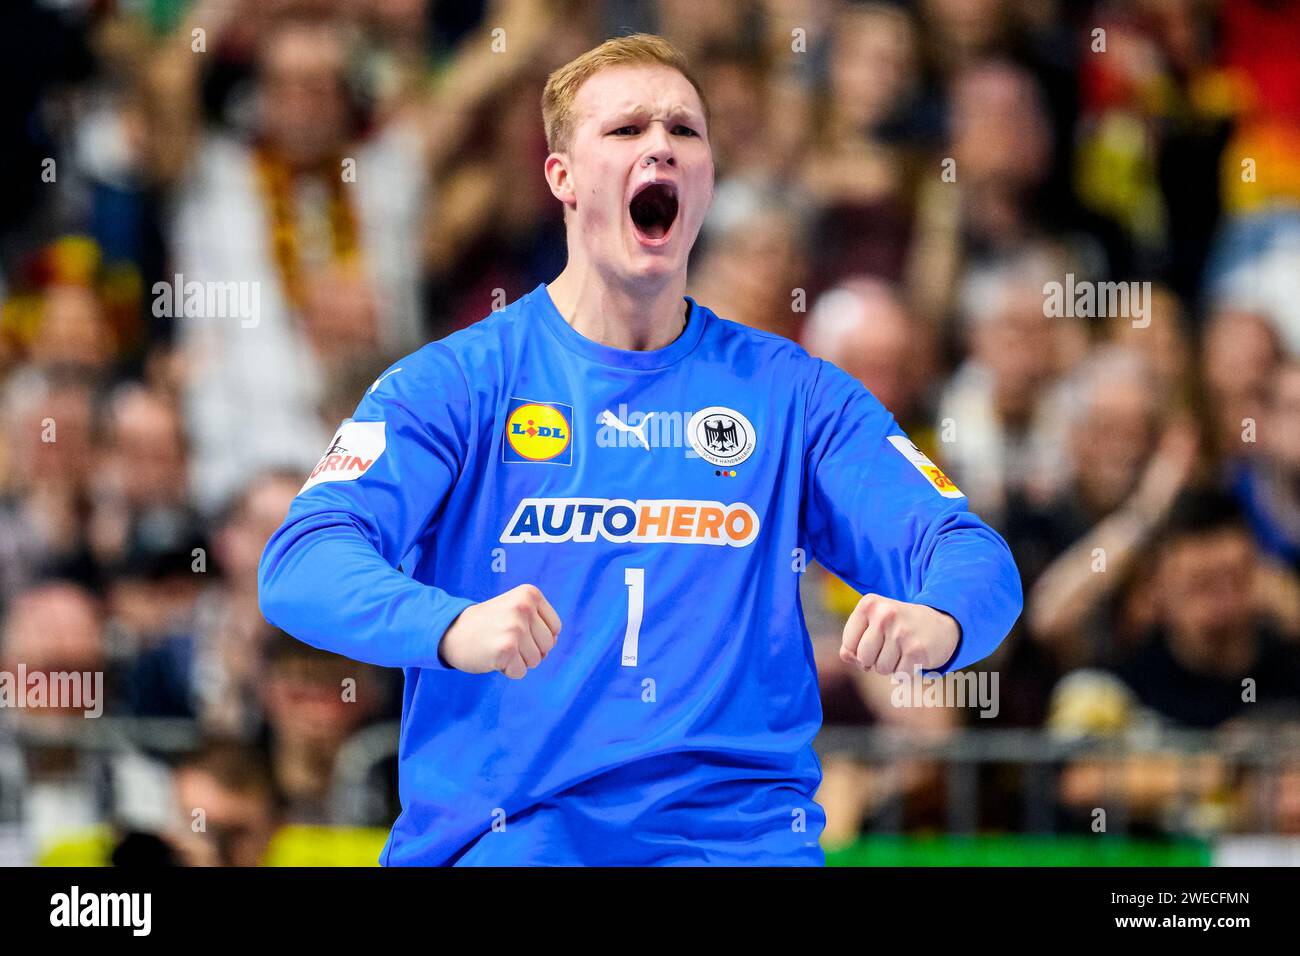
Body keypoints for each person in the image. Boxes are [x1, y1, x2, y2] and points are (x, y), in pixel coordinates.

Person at [258, 33, 1022, 866]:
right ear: (561, 177)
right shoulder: (456, 382)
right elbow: (301, 561)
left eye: (684, 131)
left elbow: (970, 552)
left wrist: (939, 620)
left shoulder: (794, 394)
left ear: (706, 180)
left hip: (736, 848)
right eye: (626, 129)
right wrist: (449, 625)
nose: (660, 145)